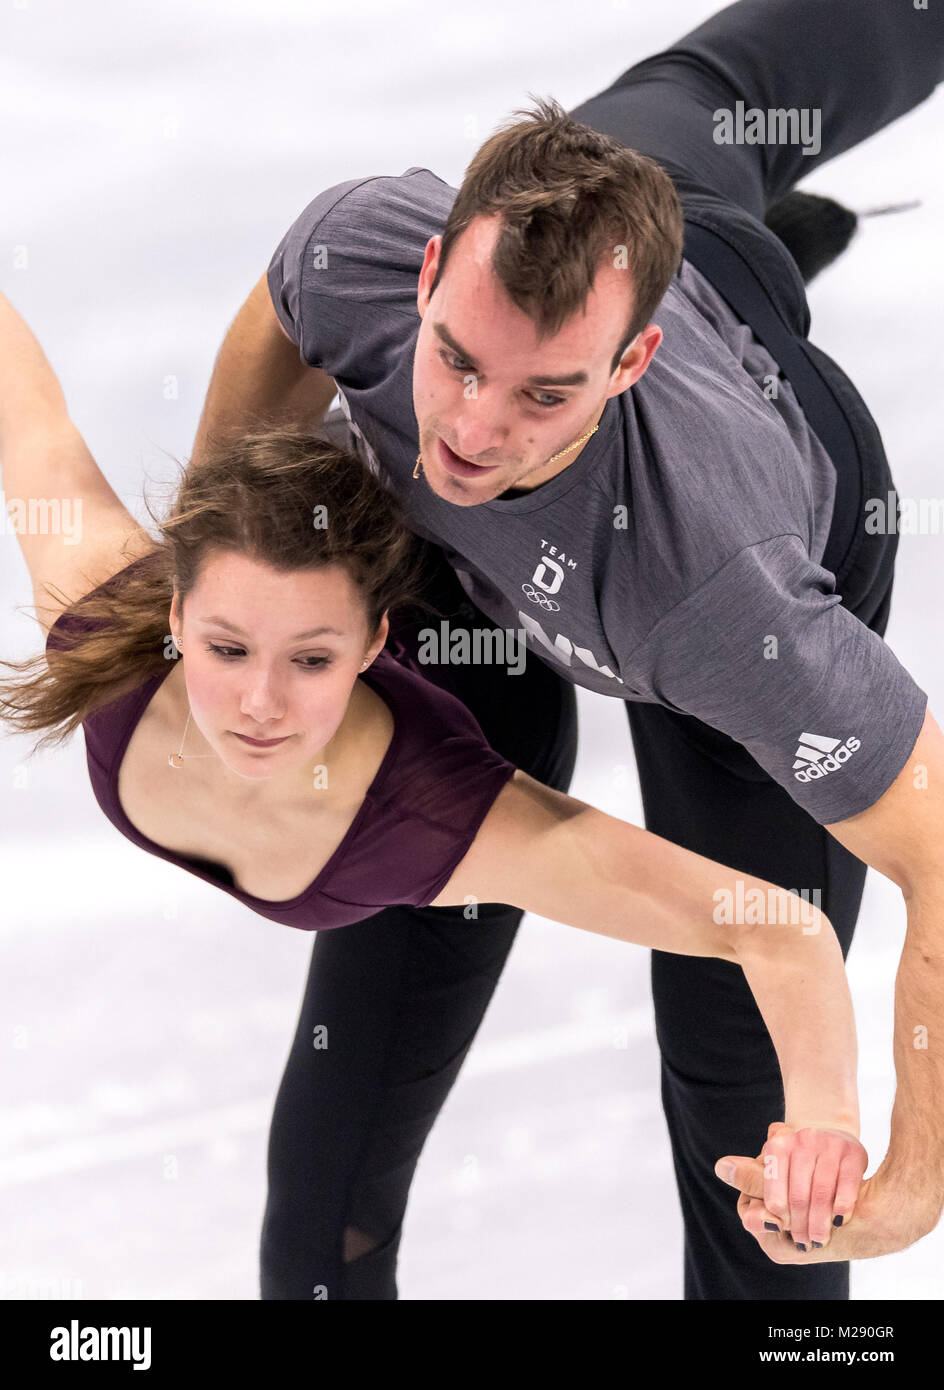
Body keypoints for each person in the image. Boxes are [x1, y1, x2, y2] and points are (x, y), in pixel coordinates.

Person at [190, 0, 944, 1299]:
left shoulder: (735, 608)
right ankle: (768, 248)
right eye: (457, 362)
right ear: (428, 275)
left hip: (707, 564)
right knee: (397, 920)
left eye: (544, 391)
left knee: (741, 1082)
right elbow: (283, 306)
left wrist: (920, 1182)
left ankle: (770, 276)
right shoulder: (370, 251)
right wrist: (206, 550)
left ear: (629, 360)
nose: (475, 429)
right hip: (666, 201)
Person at [0, 286, 870, 1298]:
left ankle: (740, 311)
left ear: (371, 648)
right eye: (225, 648)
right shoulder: (108, 628)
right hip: (373, 507)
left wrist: (825, 1124)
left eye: (311, 661)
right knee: (321, 1221)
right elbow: (25, 404)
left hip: (513, 658)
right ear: (175, 612)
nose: (259, 704)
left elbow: (774, 929)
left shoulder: (444, 813)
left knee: (716, 1082)